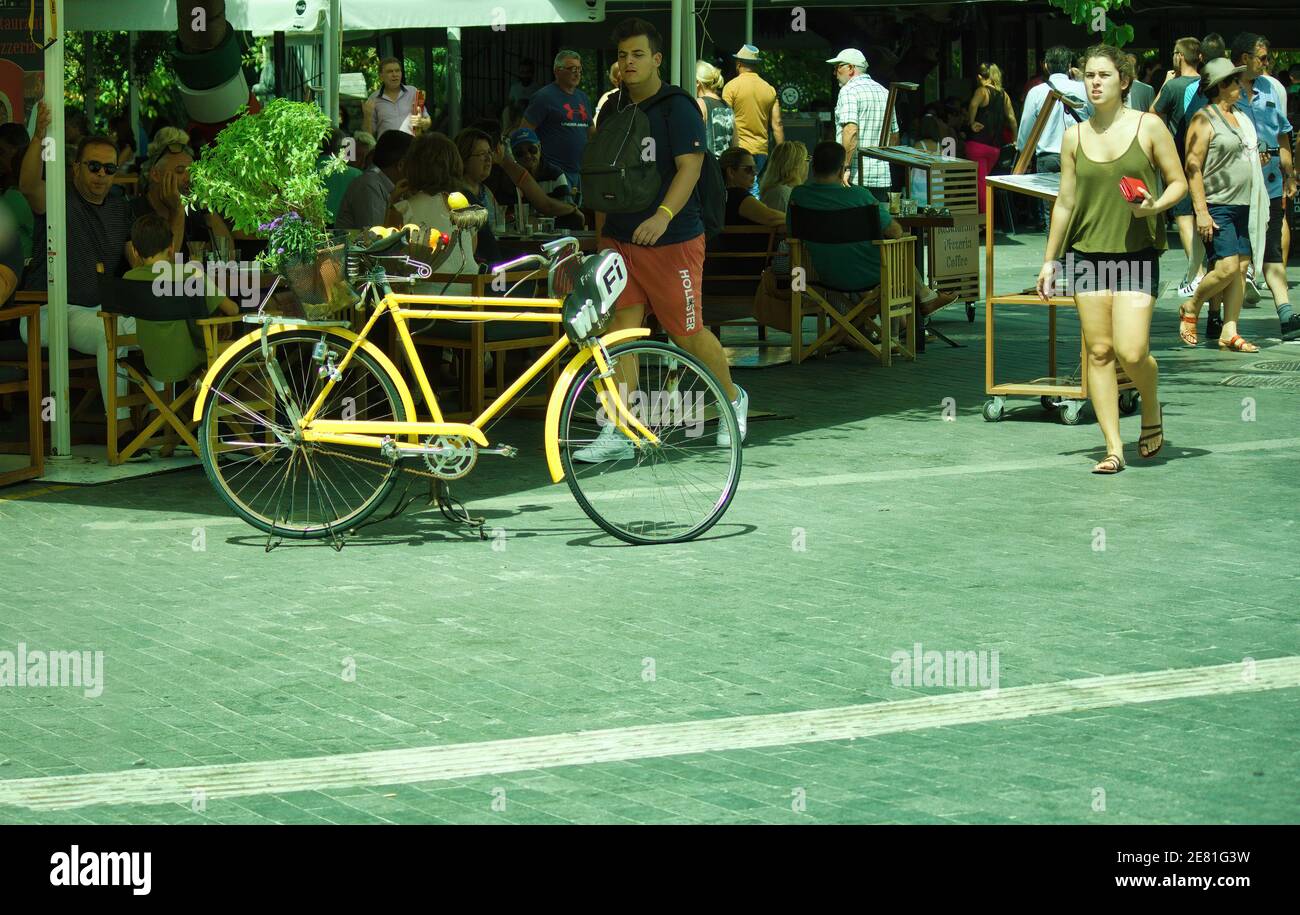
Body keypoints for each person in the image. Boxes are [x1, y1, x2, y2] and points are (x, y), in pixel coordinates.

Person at [576, 17, 748, 462]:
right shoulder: (612, 106)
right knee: (620, 333)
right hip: (620, 236)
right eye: (621, 55)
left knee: (685, 333)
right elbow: (601, 173)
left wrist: (663, 215)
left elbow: (690, 166)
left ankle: (732, 400)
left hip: (672, 238)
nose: (628, 62)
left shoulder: (679, 106)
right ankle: (621, 426)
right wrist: (602, 235)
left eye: (637, 54)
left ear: (656, 59)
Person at [1035, 45, 1186, 475]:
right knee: (1098, 352)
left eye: (1104, 75)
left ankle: (1151, 406)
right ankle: (1113, 446)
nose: (1096, 82)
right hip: (1088, 254)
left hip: (1137, 253)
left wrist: (1154, 207)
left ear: (1124, 81)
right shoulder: (1073, 136)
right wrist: (1051, 261)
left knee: (1132, 350)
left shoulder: (1149, 126)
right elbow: (1064, 202)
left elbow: (1178, 183)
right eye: (1089, 76)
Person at [18, 118, 139, 426]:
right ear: (76, 168)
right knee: (107, 333)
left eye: (109, 169)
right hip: (44, 311)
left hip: (97, 309)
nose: (101, 174)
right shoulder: (59, 197)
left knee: (152, 328)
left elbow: (136, 258)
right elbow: (28, 185)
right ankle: (121, 426)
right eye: (94, 166)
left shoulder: (119, 206)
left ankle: (156, 423)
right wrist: (38, 139)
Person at [790, 141, 956, 320]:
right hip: (869, 274)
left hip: (820, 273)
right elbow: (895, 231)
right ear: (840, 170)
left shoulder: (799, 196)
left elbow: (792, 232)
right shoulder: (859, 195)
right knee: (899, 247)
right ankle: (921, 302)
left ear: (813, 168)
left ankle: (852, 330)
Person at [1179, 57, 1268, 352]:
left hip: (1244, 204)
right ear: (1220, 87)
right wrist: (1201, 211)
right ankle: (1191, 305)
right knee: (1227, 267)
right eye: (1233, 81)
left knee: (1241, 269)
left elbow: (1241, 154)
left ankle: (1230, 331)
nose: (1240, 86)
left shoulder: (1239, 116)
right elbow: (1193, 166)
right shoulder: (1204, 118)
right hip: (1218, 204)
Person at [1230, 33, 1298, 339]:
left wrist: (1290, 174)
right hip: (1235, 187)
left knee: (1271, 250)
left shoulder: (1272, 87)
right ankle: (1220, 319)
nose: (1268, 63)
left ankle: (1285, 314)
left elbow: (1283, 133)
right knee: (1235, 256)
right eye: (1263, 58)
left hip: (1269, 184)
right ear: (1245, 58)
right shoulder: (1225, 88)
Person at [123, 212, 239, 381]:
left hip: (152, 364)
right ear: (171, 248)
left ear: (134, 250)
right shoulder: (190, 273)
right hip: (194, 362)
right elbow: (232, 309)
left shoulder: (129, 279)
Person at [1153, 36, 1206, 299]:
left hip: (1182, 159)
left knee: (1185, 217)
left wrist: (1164, 83)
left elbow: (1152, 115)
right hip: (1210, 160)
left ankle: (1196, 273)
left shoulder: (1174, 86)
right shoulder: (1209, 84)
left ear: (1178, 56)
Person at [1017, 46, 1091, 230]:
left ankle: (1056, 254)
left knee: (1052, 210)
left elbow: (1026, 127)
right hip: (1079, 155)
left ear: (1046, 66)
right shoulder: (1084, 89)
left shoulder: (1036, 92)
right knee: (1078, 206)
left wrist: (1022, 151)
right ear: (1069, 65)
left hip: (1047, 157)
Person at [132, 128, 232, 257]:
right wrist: (177, 211)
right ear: (155, 174)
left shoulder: (193, 212)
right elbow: (162, 266)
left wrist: (208, 209)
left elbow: (227, 256)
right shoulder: (135, 213)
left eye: (192, 172)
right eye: (180, 171)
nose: (189, 178)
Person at [522, 50, 593, 190]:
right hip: (554, 175)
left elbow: (592, 133)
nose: (577, 73)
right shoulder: (543, 97)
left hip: (581, 173)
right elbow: (525, 134)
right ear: (557, 71)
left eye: (579, 69)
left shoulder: (583, 98)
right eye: (572, 69)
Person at [828, 48, 894, 198]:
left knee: (853, 220)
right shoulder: (885, 92)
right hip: (882, 178)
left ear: (850, 68)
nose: (834, 73)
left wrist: (844, 167)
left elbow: (850, 130)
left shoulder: (848, 90)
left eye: (837, 67)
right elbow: (894, 136)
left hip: (855, 178)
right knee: (877, 220)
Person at [723, 44, 783, 196]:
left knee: (748, 191)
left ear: (739, 64)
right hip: (762, 150)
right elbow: (777, 124)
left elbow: (725, 122)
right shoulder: (769, 89)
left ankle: (753, 219)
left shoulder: (731, 87)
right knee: (754, 186)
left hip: (739, 150)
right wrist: (783, 153)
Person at [335, 129, 413, 231]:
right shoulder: (368, 185)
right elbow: (377, 238)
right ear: (401, 165)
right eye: (416, 163)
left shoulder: (385, 185)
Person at [966, 62, 1017, 213]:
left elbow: (973, 105)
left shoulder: (982, 91)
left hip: (977, 144)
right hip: (995, 148)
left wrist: (971, 122)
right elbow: (1012, 118)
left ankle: (984, 220)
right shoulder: (1004, 94)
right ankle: (985, 217)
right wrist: (1015, 139)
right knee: (985, 179)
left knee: (980, 183)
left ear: (979, 77)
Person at [454, 127, 502, 267]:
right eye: (481, 154)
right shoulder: (458, 196)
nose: (488, 159)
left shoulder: (485, 191)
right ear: (463, 159)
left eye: (489, 153)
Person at [362, 58, 428, 139]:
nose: (395, 74)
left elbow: (427, 121)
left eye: (397, 71)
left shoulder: (413, 92)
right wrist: (367, 116)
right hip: (387, 149)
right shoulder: (374, 98)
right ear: (381, 76)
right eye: (390, 71)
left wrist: (422, 122)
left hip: (411, 147)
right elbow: (368, 135)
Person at [508, 128, 570, 201]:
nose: (527, 156)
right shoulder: (509, 179)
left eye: (532, 149)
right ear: (513, 155)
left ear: (539, 147)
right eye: (520, 152)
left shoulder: (555, 175)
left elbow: (564, 208)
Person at [318, 127, 363, 225]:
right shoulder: (356, 175)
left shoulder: (301, 173)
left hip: (310, 230)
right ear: (341, 149)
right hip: (346, 232)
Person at [695, 61, 736, 156]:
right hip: (727, 167)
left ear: (698, 83)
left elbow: (695, 140)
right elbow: (735, 143)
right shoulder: (727, 106)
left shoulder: (700, 103)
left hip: (709, 166)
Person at [758, 140, 808, 213]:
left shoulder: (785, 192)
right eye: (807, 159)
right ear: (796, 165)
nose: (808, 164)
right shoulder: (780, 194)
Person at [909, 114, 945, 205]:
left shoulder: (919, 145)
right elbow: (942, 168)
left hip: (921, 184)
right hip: (936, 184)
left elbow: (911, 165)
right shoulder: (939, 146)